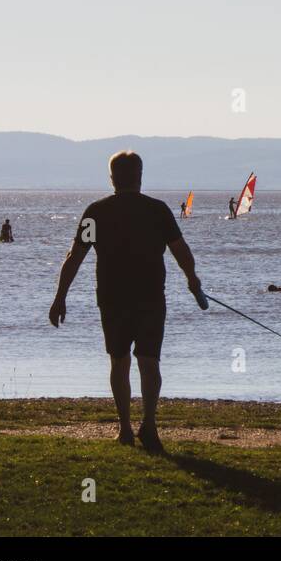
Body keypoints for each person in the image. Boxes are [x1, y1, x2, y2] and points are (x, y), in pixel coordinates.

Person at [49, 150, 203, 453]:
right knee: (149, 361)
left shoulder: (96, 212)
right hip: (150, 298)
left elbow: (75, 256)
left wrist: (60, 297)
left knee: (119, 361)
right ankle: (149, 423)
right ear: (140, 176)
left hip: (112, 298)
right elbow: (180, 250)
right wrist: (192, 279)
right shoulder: (157, 211)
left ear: (112, 178)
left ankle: (125, 428)